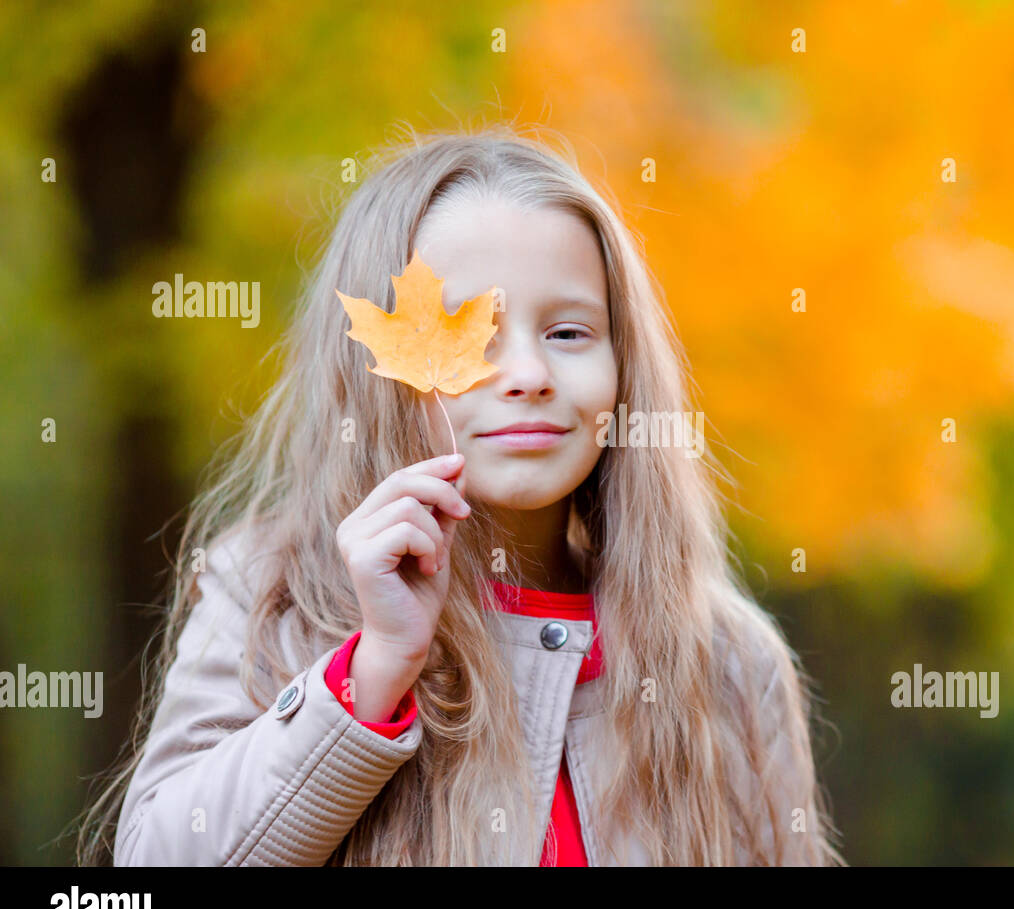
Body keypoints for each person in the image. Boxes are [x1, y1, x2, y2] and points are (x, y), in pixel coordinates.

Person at [77, 125, 846, 866]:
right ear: (373, 369)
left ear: (624, 369)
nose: (528, 374)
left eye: (570, 333)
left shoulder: (728, 662)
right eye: (469, 333)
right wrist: (372, 672)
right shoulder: (273, 600)